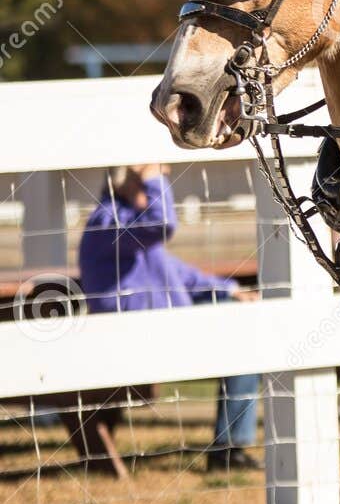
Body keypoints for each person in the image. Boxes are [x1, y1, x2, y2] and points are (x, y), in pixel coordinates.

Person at [78, 164, 262, 471]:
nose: (157, 187)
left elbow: (180, 276)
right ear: (127, 182)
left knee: (241, 325)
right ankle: (228, 451)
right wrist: (154, 177)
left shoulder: (128, 227)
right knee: (240, 337)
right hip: (137, 337)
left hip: (160, 326)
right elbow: (162, 223)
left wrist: (230, 290)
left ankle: (230, 449)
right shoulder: (108, 221)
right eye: (148, 183)